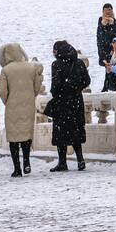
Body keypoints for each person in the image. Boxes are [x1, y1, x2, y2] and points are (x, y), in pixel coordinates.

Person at [0, 42, 42, 177]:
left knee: (13, 138)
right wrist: (29, 97)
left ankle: (17, 168)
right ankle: (27, 161)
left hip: (12, 106)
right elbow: (37, 87)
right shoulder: (31, 67)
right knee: (26, 135)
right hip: (28, 105)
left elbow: (3, 92)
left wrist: (9, 102)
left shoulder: (6, 70)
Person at [46, 40, 89, 173]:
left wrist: (60, 92)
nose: (53, 53)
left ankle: (62, 162)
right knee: (76, 131)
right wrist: (76, 89)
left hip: (62, 103)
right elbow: (87, 81)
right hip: (76, 102)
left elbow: (55, 87)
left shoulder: (57, 65)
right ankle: (80, 160)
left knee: (61, 134)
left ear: (58, 51)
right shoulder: (79, 63)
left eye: (54, 51)